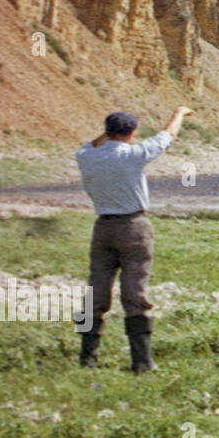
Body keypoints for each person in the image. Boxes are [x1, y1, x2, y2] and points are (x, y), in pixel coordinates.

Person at [74, 105, 193, 372]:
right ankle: (142, 360)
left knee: (95, 291)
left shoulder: (85, 156)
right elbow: (167, 136)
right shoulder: (133, 154)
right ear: (132, 133)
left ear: (107, 131)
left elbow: (93, 144)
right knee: (135, 291)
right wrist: (178, 114)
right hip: (133, 225)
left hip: (102, 226)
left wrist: (107, 133)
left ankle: (87, 356)